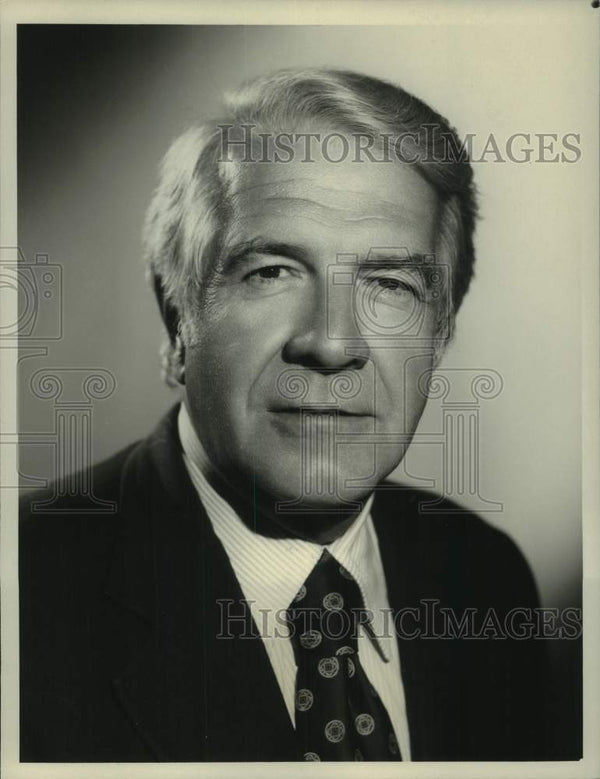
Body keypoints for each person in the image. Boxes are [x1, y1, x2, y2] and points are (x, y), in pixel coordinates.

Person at [19, 68, 576, 762]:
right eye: (273, 271)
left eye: (389, 284)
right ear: (176, 319)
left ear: (441, 330)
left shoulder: (482, 579)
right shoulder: (26, 596)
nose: (331, 343)